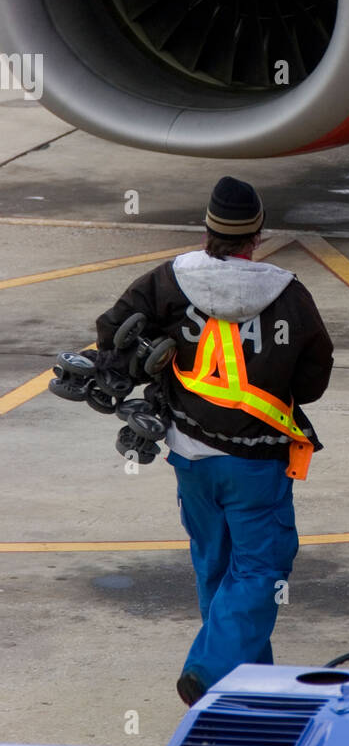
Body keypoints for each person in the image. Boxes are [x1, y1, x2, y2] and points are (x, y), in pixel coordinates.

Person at [95, 176, 333, 704]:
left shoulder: (167, 281)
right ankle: (208, 670)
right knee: (261, 569)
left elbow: (111, 331)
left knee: (216, 568)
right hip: (257, 466)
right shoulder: (289, 293)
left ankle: (242, 692)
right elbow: (315, 380)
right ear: (257, 233)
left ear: (208, 229)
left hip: (189, 458)